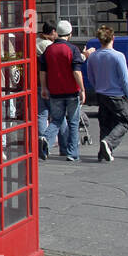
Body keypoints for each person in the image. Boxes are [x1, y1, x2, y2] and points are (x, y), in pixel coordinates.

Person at [38, 19, 86, 162]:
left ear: (57, 33)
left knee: (56, 120)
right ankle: (72, 153)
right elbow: (76, 72)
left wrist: (44, 88)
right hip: (71, 91)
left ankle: (46, 138)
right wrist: (82, 89)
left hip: (54, 91)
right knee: (73, 122)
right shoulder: (73, 49)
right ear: (70, 34)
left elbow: (43, 72)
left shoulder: (49, 50)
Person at [84, 25, 128, 162]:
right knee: (126, 121)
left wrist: (97, 87)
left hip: (101, 94)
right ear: (113, 38)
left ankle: (103, 153)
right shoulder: (118, 56)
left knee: (105, 124)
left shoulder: (93, 57)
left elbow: (90, 76)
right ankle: (109, 143)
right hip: (116, 94)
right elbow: (124, 78)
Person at [35, 21, 58, 160]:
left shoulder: (35, 42)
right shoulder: (49, 46)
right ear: (53, 32)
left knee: (41, 115)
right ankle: (51, 141)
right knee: (58, 116)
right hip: (48, 83)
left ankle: (42, 140)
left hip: (36, 82)